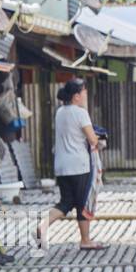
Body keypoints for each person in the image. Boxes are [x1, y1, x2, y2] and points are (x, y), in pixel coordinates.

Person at [37, 78, 103, 251]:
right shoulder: (81, 113)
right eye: (83, 92)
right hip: (79, 165)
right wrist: (99, 139)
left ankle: (44, 224)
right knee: (82, 203)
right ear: (76, 96)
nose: (85, 94)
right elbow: (92, 139)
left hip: (61, 165)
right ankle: (85, 240)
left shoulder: (60, 112)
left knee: (66, 202)